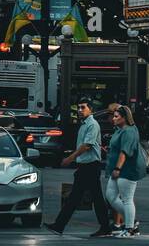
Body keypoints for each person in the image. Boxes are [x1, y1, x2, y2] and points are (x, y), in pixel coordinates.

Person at [45, 98, 110, 237]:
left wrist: (70, 158)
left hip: (90, 166)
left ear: (90, 109)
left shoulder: (92, 124)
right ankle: (104, 226)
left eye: (83, 108)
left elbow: (87, 145)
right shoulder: (84, 124)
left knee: (80, 198)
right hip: (85, 166)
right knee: (85, 197)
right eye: (79, 108)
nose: (80, 111)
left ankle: (59, 226)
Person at [105, 104, 146, 237]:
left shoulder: (129, 131)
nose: (113, 119)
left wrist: (118, 168)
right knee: (111, 196)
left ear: (124, 118)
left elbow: (125, 152)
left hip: (127, 169)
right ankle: (131, 221)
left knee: (127, 199)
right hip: (117, 169)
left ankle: (129, 228)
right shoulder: (119, 129)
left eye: (116, 117)